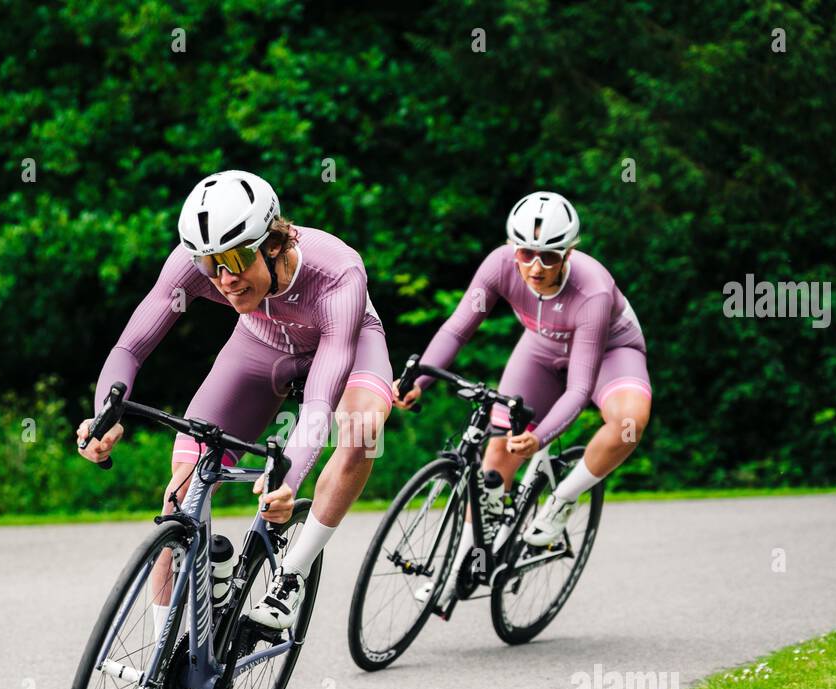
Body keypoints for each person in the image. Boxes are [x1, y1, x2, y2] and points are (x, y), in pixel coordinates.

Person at [78, 170, 393, 629]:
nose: (223, 277)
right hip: (260, 345)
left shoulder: (338, 273)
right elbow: (130, 348)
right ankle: (162, 664)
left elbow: (320, 401)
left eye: (235, 258)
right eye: (209, 263)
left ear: (275, 244)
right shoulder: (195, 265)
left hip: (343, 341)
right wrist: (103, 416)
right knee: (181, 493)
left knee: (362, 429)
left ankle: (293, 572)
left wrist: (288, 476)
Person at [397, 191, 651, 607]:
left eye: (549, 256)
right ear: (513, 247)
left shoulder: (593, 291)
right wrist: (420, 379)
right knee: (496, 457)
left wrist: (540, 436)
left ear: (569, 252)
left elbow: (579, 390)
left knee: (629, 422)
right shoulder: (500, 264)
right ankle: (458, 567)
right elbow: (458, 329)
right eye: (527, 252)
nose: (535, 266)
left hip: (609, 354)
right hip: (542, 347)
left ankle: (562, 501)